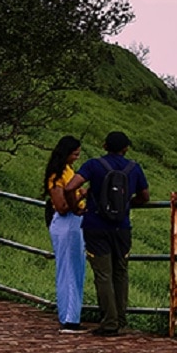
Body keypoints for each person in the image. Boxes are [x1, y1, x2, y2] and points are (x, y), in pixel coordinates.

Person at [64, 130, 150, 336]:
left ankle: (109, 322)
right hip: (122, 228)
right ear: (126, 148)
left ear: (104, 146)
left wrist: (75, 206)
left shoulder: (94, 165)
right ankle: (120, 318)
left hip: (95, 225)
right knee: (121, 272)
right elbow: (145, 196)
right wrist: (128, 204)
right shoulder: (134, 168)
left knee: (103, 274)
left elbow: (70, 186)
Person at [43, 135, 87, 334]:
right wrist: (79, 198)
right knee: (69, 269)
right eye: (74, 153)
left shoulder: (68, 171)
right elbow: (61, 206)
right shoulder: (57, 174)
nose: (77, 156)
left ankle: (70, 314)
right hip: (67, 222)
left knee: (75, 269)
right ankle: (70, 318)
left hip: (74, 222)